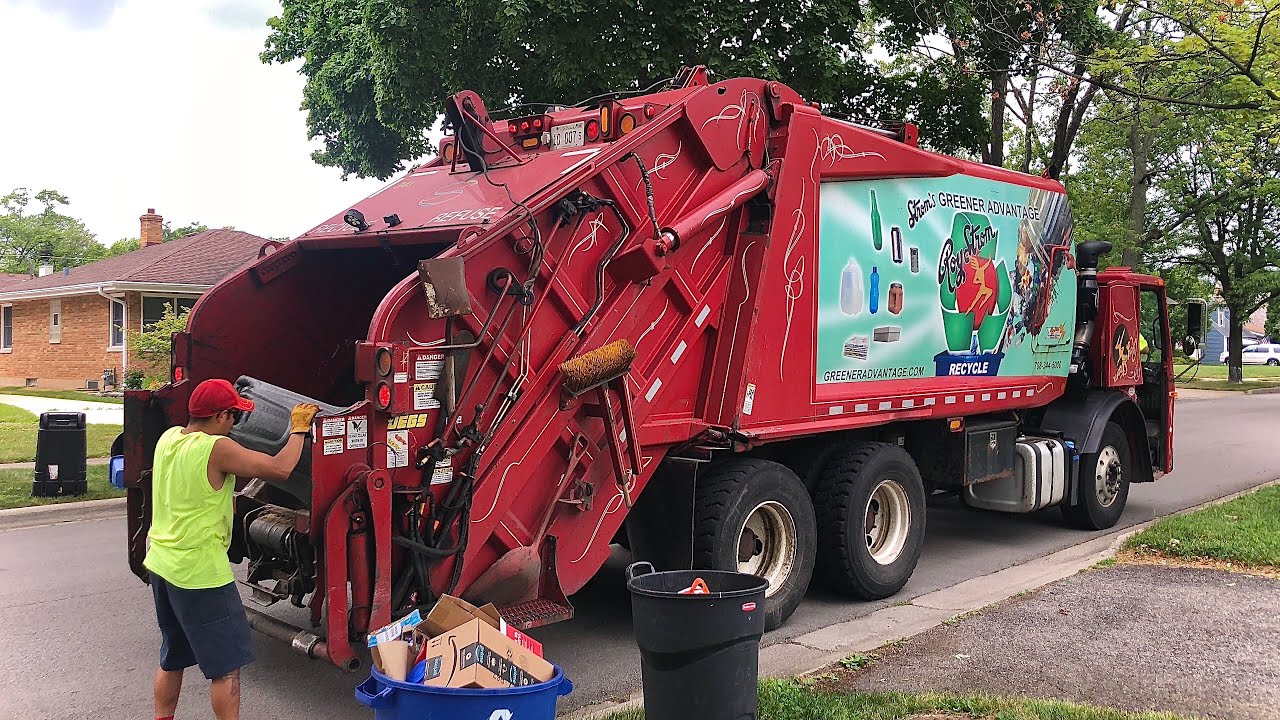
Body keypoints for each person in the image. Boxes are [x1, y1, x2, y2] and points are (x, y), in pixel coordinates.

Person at [144, 378, 319, 720]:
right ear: (222, 416)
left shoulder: (169, 439)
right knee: (226, 669)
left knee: (173, 656)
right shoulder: (216, 449)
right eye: (234, 418)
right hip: (199, 572)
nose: (235, 424)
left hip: (162, 564)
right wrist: (298, 429)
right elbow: (281, 469)